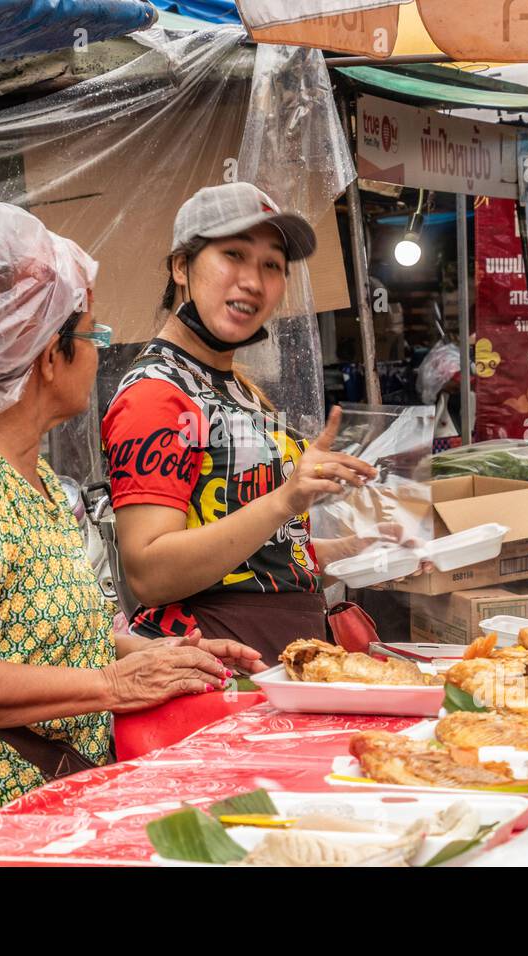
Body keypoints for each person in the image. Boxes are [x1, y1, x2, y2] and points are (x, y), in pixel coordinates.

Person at [0, 185, 264, 813]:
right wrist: (111, 684)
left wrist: (159, 655)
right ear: (49, 354)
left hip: (39, 804)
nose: (100, 349)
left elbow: (42, 633)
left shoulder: (32, 476)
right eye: (92, 330)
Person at [101, 182, 405, 658]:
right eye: (234, 255)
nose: (253, 281)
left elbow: (258, 559)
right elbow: (150, 574)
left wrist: (360, 548)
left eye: (271, 265)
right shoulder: (157, 394)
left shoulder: (240, 391)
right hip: (209, 667)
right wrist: (286, 498)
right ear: (181, 266)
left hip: (274, 663)